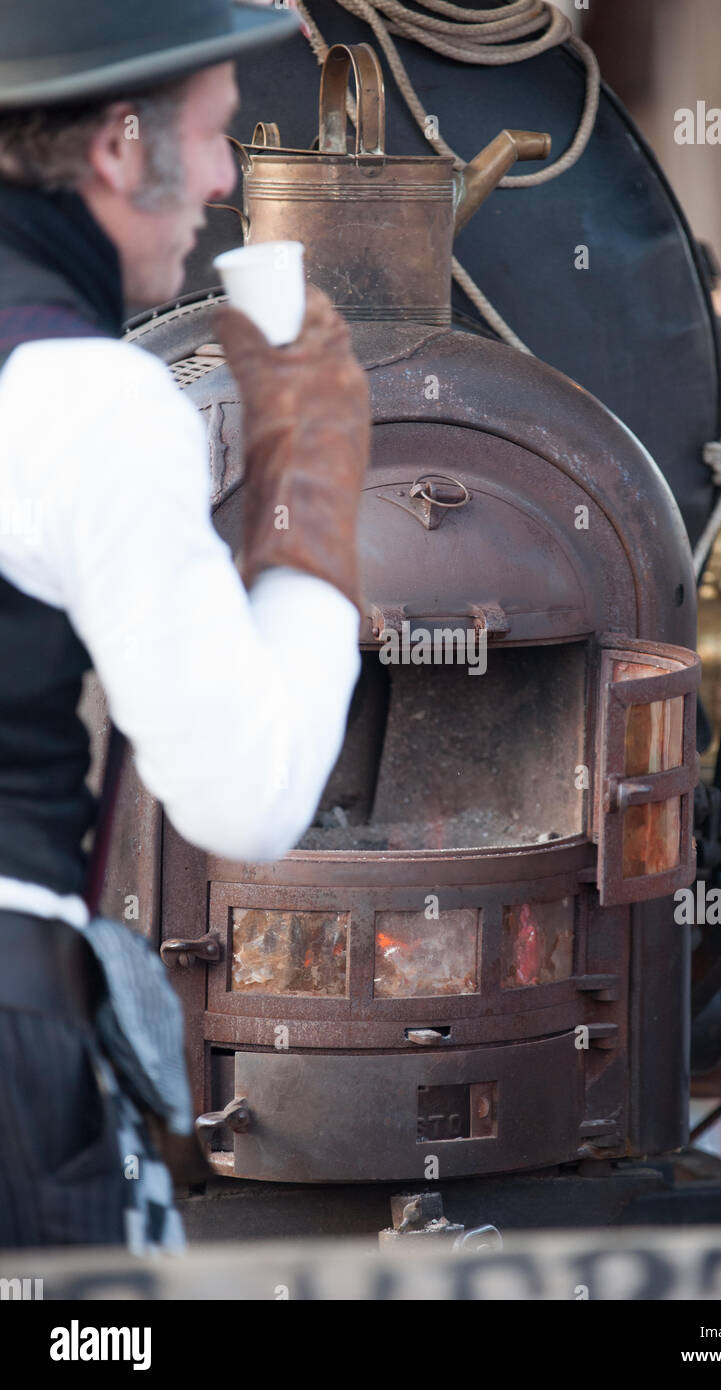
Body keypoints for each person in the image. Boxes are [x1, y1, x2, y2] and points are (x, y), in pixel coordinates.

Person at [0, 0, 370, 1249]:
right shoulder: (83, 398)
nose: (225, 181)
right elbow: (247, 793)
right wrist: (310, 485)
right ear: (116, 146)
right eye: (215, 136)